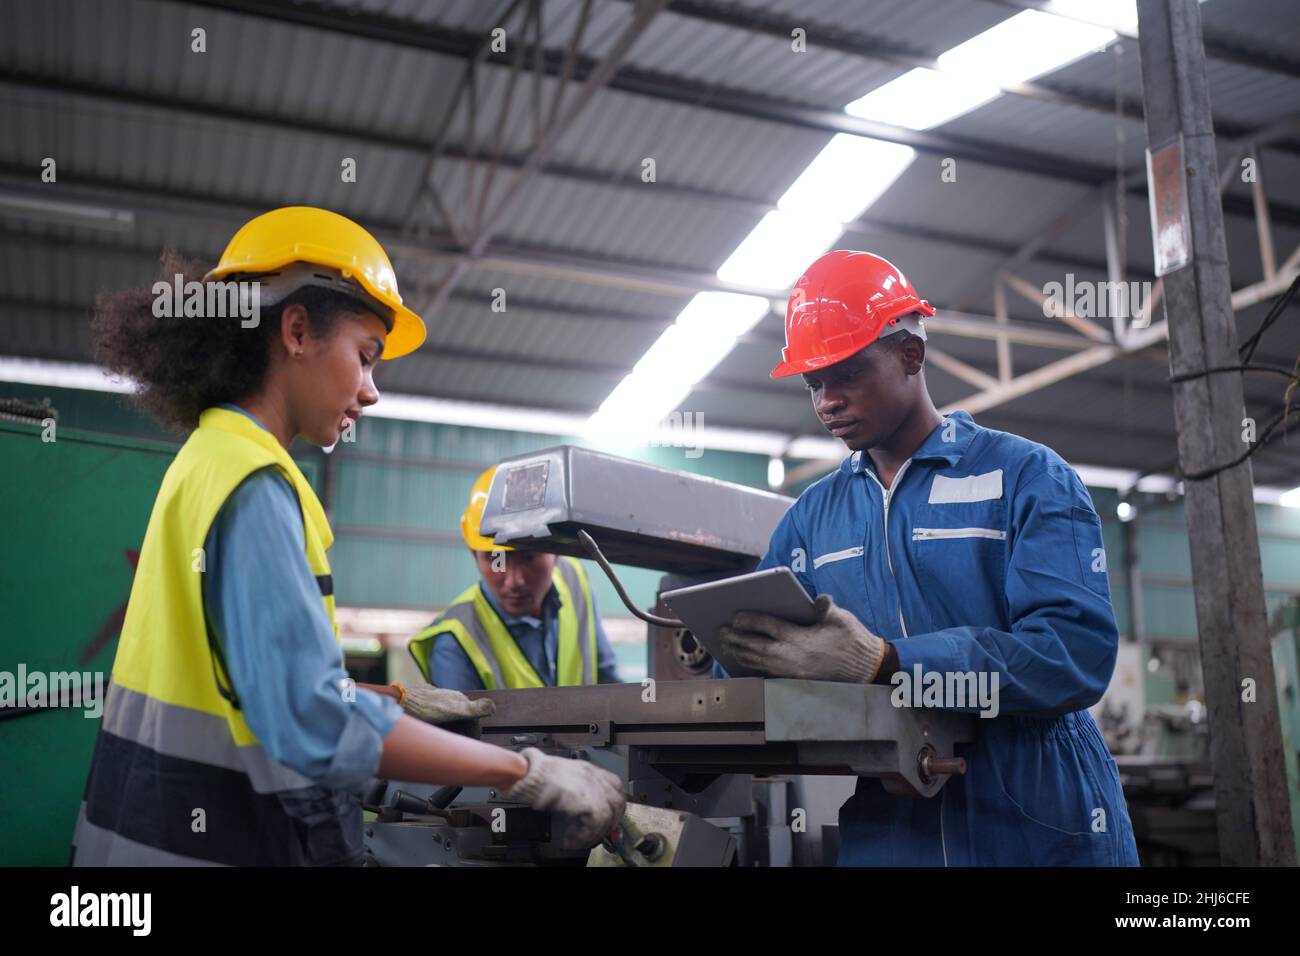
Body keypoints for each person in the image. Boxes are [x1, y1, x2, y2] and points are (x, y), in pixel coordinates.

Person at [73, 206, 623, 866]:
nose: (372, 392)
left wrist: (382, 697)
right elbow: (312, 723)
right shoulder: (254, 486)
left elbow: (246, 687)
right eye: (365, 357)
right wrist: (524, 772)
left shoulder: (207, 460)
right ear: (298, 331)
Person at [718, 249, 1139, 866]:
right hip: (893, 823)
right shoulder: (812, 518)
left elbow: (1074, 656)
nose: (827, 401)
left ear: (910, 355)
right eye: (814, 384)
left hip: (1031, 812)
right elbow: (755, 668)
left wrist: (889, 663)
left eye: (847, 374)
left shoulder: (1024, 477)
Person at [408, 466, 622, 690]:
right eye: (495, 559)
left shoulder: (574, 579)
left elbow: (606, 678)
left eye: (528, 557)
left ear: (556, 552)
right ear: (474, 556)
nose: (514, 581)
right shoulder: (455, 644)